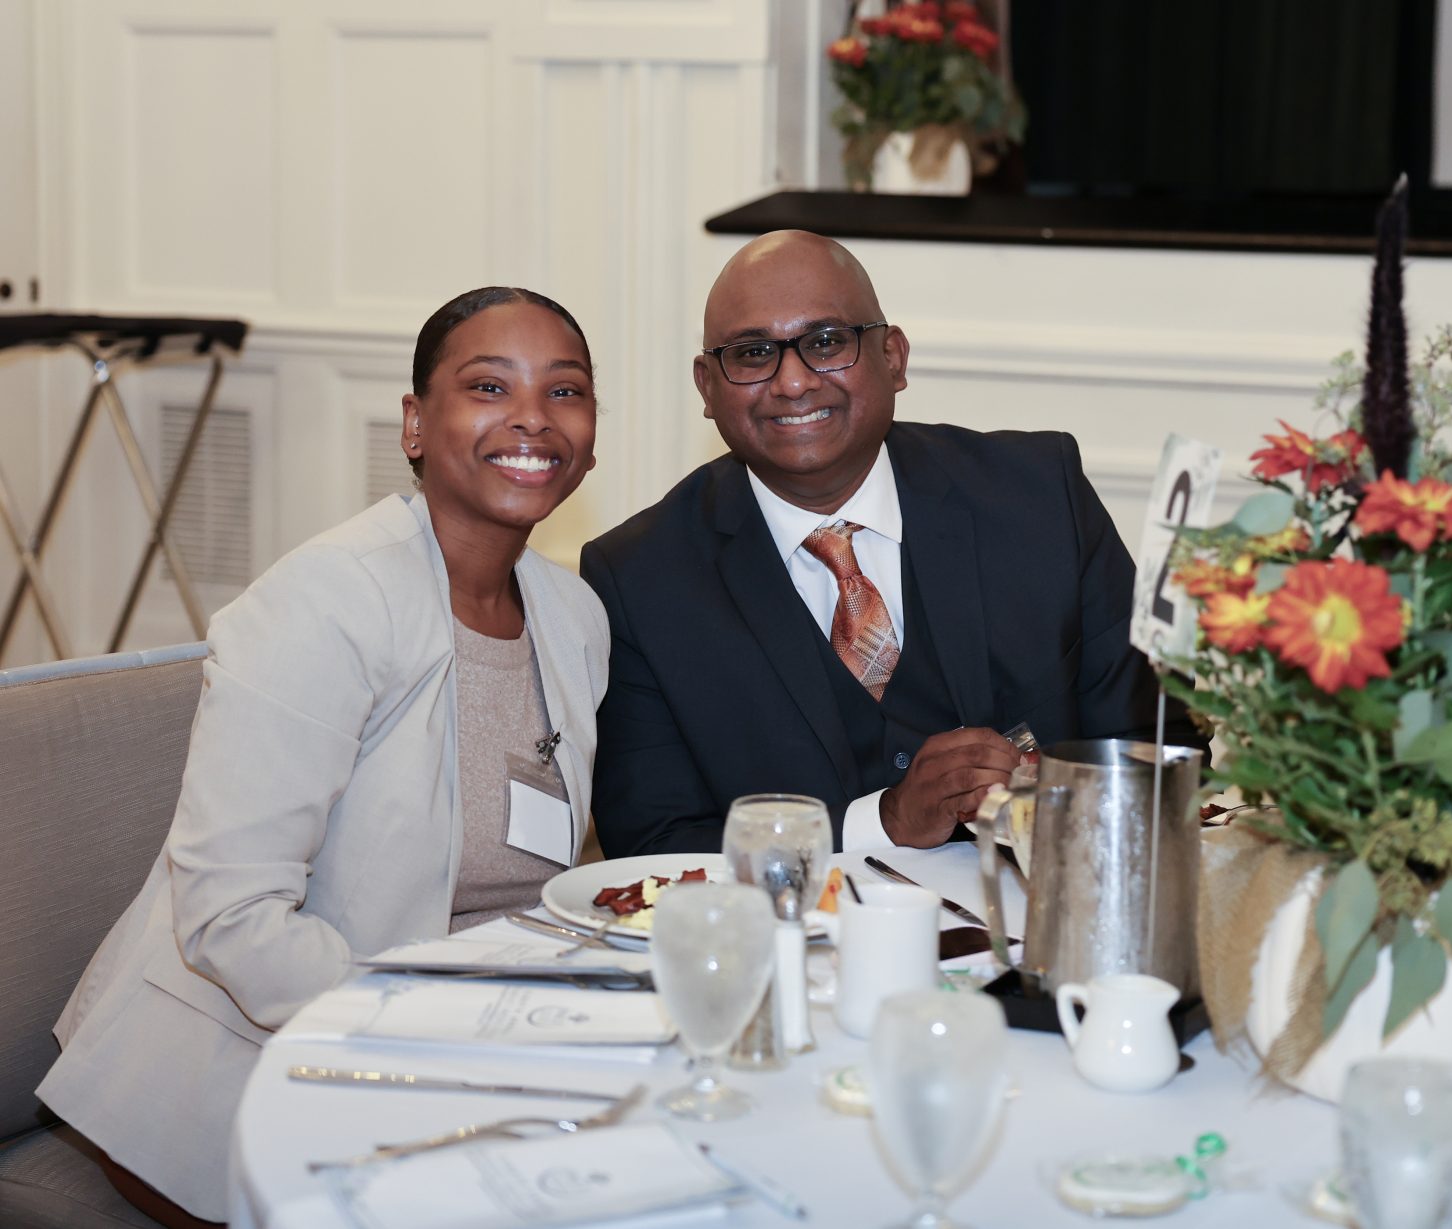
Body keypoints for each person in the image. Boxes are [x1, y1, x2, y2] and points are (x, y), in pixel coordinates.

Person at [37, 286, 609, 1226]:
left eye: (566, 391)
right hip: (251, 1075)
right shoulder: (325, 602)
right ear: (416, 425)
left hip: (486, 1048)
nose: (532, 420)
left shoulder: (575, 619)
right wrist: (445, 1033)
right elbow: (231, 917)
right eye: (487, 386)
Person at [581, 230, 1194, 858]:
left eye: (825, 343)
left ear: (894, 358)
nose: (791, 382)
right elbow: (656, 847)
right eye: (752, 352)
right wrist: (885, 824)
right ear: (708, 388)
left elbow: (1157, 751)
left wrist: (1046, 802)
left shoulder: (1040, 496)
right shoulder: (639, 580)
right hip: (797, 947)